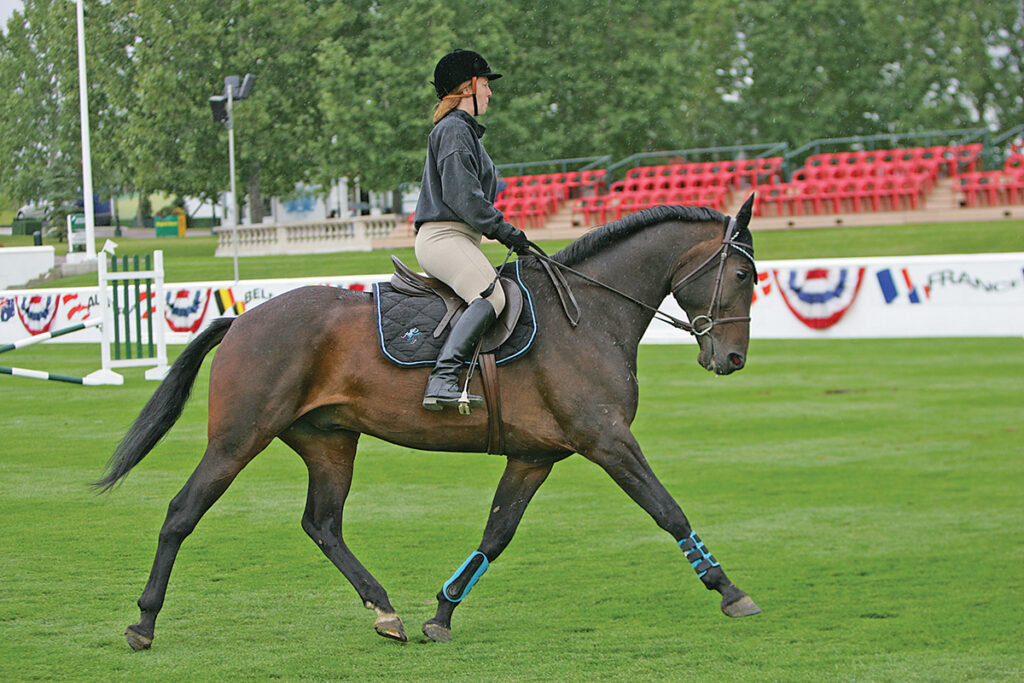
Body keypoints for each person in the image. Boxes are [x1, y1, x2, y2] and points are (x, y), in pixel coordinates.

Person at [414, 49, 531, 412]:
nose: (490, 93)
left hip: (458, 237)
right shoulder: (452, 131)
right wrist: (506, 231)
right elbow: (464, 197)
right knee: (490, 295)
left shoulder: (464, 132)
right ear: (468, 88)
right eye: (486, 84)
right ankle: (443, 378)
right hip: (444, 237)